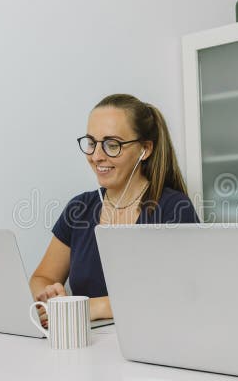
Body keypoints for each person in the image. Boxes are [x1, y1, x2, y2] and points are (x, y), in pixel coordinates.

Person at [30, 94, 199, 326]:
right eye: (91, 142)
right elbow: (42, 277)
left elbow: (177, 293)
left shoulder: (174, 209)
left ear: (145, 150)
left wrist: (90, 308)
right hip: (87, 347)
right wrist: (50, 297)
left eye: (112, 145)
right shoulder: (79, 208)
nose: (97, 156)